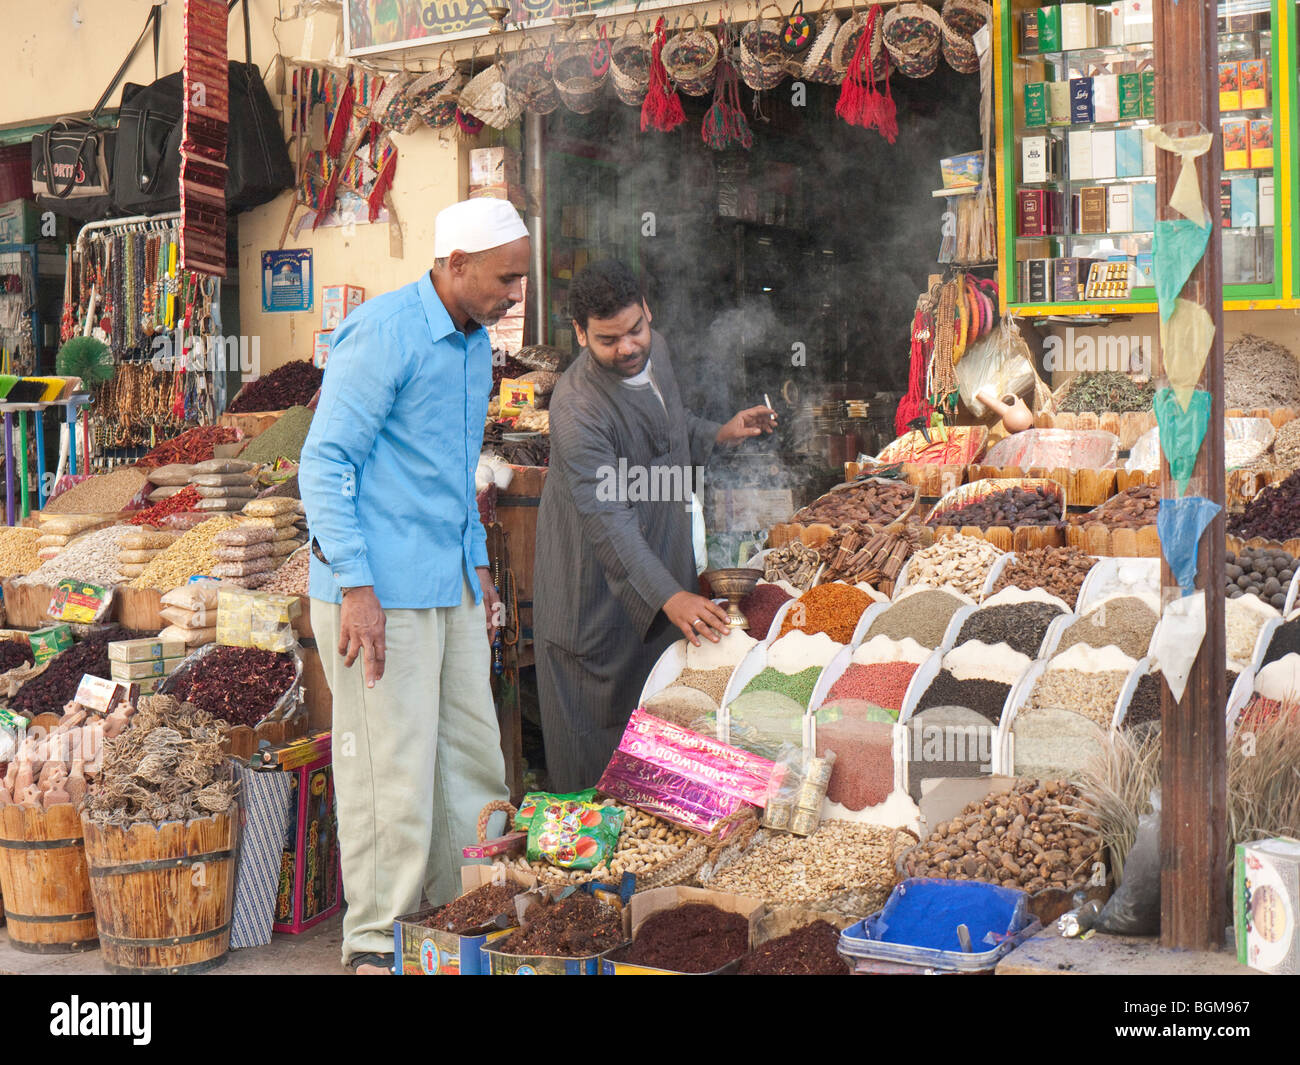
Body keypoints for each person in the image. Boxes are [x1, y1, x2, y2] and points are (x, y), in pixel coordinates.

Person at [299, 198, 528, 974]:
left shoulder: (473, 346)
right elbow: (324, 465)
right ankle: (374, 942)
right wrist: (357, 586)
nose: (516, 296)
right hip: (377, 590)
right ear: (455, 264)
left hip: (450, 582)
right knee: (389, 772)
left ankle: (457, 917)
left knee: (471, 755)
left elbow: (454, 470)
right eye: (506, 278)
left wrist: (481, 568)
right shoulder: (384, 332)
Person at [533, 259, 776, 791]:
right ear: (579, 333)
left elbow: (669, 426)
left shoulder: (656, 349)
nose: (627, 347)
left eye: (634, 329)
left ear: (647, 311)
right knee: (600, 770)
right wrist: (670, 595)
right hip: (592, 610)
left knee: (664, 755)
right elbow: (608, 519)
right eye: (607, 340)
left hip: (661, 586)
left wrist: (720, 432)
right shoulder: (577, 408)